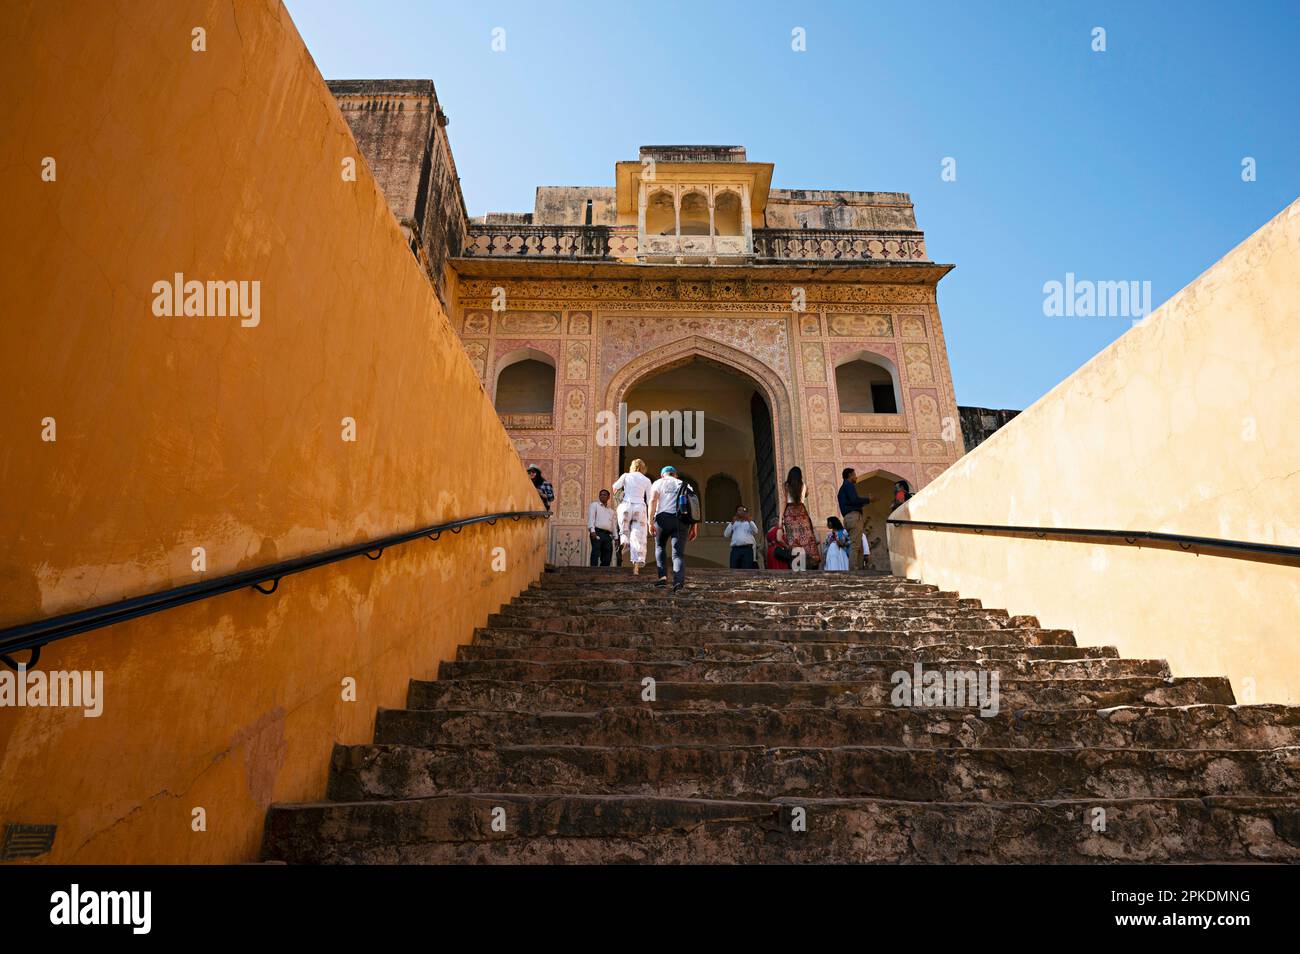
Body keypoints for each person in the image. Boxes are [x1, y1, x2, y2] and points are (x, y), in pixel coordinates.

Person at [648, 464, 697, 592]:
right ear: (675, 475)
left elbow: (653, 500)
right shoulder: (685, 484)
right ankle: (678, 583)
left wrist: (650, 522)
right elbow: (694, 506)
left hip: (662, 519)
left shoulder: (658, 483)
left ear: (662, 474)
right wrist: (694, 526)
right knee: (678, 554)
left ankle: (662, 578)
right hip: (681, 521)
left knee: (660, 547)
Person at [612, 458, 653, 574]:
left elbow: (615, 487)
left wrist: (620, 493)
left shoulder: (626, 476)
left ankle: (624, 541)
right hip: (639, 507)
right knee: (638, 535)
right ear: (643, 468)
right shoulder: (646, 480)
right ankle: (636, 564)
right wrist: (651, 518)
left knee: (624, 529)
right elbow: (650, 499)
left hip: (626, 505)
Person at [781, 466, 819, 569]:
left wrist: (781, 519)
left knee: (793, 540)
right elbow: (806, 494)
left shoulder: (786, 486)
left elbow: (784, 502)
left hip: (790, 512)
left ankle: (796, 566)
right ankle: (809, 564)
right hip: (802, 512)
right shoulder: (804, 485)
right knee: (806, 538)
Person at [837, 468, 872, 571]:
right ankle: (853, 569)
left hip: (848, 518)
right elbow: (854, 500)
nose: (856, 477)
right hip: (853, 517)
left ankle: (859, 567)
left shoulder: (842, 489)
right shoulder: (848, 485)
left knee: (857, 544)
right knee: (855, 545)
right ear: (849, 475)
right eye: (854, 475)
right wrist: (868, 500)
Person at [587, 489, 616, 567]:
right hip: (597, 532)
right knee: (596, 552)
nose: (602, 496)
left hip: (607, 535)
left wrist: (616, 537)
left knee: (607, 554)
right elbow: (591, 518)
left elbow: (613, 525)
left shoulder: (611, 511)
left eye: (604, 495)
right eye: (601, 495)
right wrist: (592, 530)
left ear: (608, 497)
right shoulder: (594, 505)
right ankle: (593, 571)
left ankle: (604, 571)